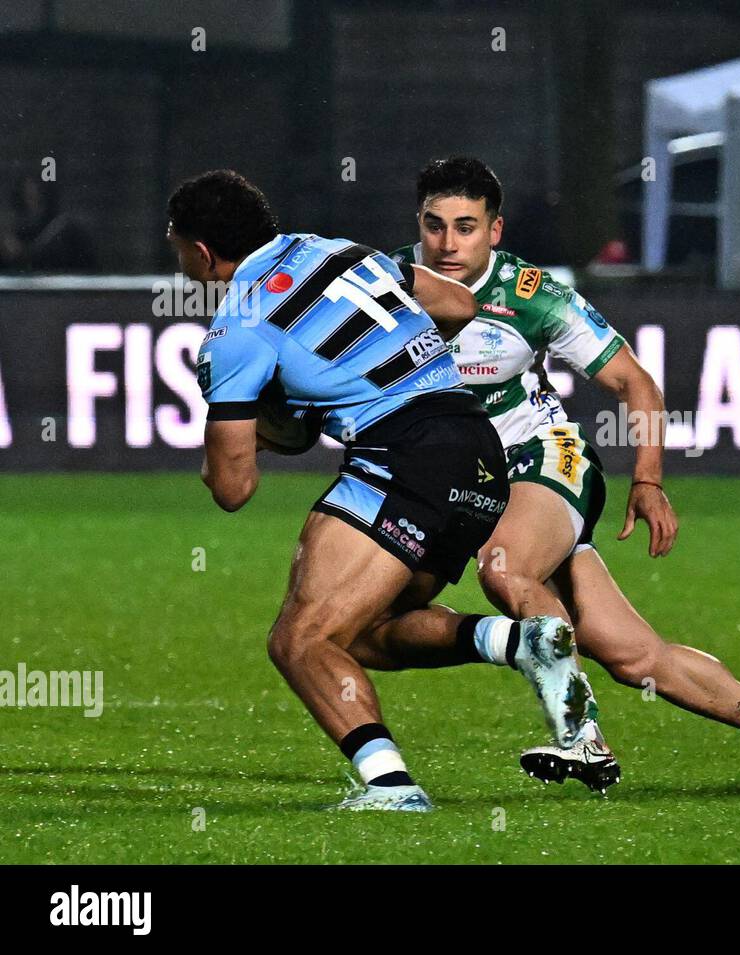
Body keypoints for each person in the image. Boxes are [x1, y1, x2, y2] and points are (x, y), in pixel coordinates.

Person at [344, 155, 740, 798]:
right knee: (636, 658)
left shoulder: (533, 295)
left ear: (495, 231)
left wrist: (647, 481)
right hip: (459, 488)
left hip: (543, 460)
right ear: (417, 225)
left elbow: (634, 382)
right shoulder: (385, 286)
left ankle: (580, 733)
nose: (448, 244)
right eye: (435, 226)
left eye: (466, 227)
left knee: (506, 569)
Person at [171, 169, 588, 812]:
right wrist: (374, 361)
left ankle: (392, 789)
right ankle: (518, 641)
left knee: (298, 641)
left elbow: (232, 489)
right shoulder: (336, 250)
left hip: (403, 455)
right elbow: (459, 305)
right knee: (363, 634)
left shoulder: (236, 328)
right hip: (476, 447)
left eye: (176, 241)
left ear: (201, 252)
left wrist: (250, 433)